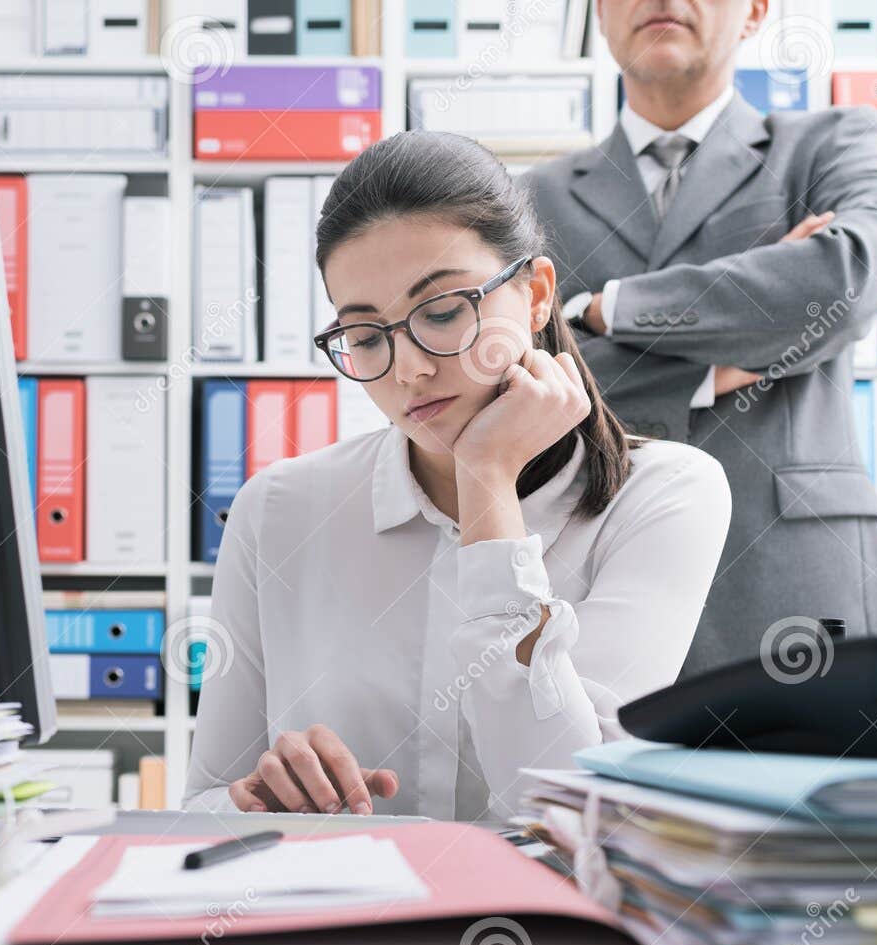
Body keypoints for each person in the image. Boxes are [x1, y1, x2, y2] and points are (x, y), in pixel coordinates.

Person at [183, 131, 731, 820]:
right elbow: (200, 805)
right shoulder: (277, 509)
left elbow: (567, 807)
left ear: (536, 295)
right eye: (365, 336)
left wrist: (487, 480)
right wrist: (259, 807)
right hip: (344, 893)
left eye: (442, 313)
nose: (409, 369)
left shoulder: (666, 494)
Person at [522, 0, 877, 677]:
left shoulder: (831, 142)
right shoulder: (531, 198)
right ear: (600, 14)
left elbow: (841, 282)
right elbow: (519, 379)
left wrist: (604, 310)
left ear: (754, 13)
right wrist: (721, 359)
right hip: (597, 576)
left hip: (794, 574)